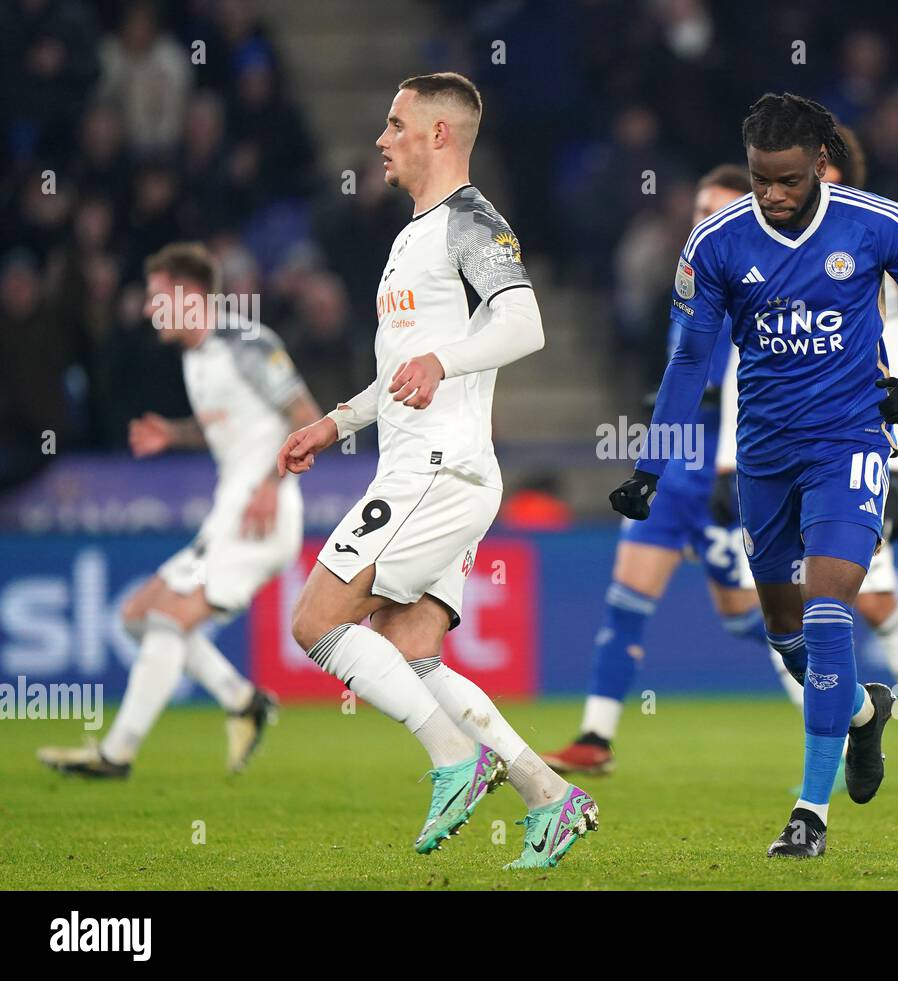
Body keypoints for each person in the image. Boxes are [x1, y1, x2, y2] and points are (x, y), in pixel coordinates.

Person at [611, 93, 898, 858]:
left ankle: (810, 811)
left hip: (849, 444)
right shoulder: (715, 244)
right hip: (763, 457)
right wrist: (650, 465)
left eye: (790, 179)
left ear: (819, 165)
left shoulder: (880, 222)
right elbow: (689, 361)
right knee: (785, 631)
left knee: (830, 605)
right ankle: (866, 716)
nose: (773, 193)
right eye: (761, 178)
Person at [276, 73, 597, 870]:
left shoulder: (470, 222)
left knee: (316, 621)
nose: (381, 139)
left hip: (436, 467)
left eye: (395, 123)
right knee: (411, 653)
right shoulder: (411, 235)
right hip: (432, 467)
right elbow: (401, 370)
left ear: (440, 135)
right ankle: (552, 798)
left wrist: (442, 359)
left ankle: (455, 757)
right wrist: (335, 421)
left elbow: (525, 323)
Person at [714, 124, 898, 793]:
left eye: (809, 181)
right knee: (784, 617)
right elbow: (738, 366)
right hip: (774, 453)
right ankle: (849, 732)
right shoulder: (752, 247)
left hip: (849, 451)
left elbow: (897, 359)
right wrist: (729, 460)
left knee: (871, 606)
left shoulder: (870, 253)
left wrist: (896, 470)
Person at [39, 242, 318, 777]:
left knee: (167, 618)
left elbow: (307, 416)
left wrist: (269, 483)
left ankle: (116, 753)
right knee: (136, 616)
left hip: (262, 514)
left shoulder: (247, 341)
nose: (148, 309)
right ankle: (242, 699)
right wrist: (175, 433)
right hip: (230, 511)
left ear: (187, 295)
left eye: (155, 295)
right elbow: (229, 425)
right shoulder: (195, 357)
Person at [540, 164, 761, 775]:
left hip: (728, 482)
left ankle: (843, 711)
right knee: (625, 600)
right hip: (671, 481)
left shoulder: (760, 293)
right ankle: (595, 737)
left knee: (750, 620)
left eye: (719, 212)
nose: (705, 223)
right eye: (699, 212)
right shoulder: (690, 290)